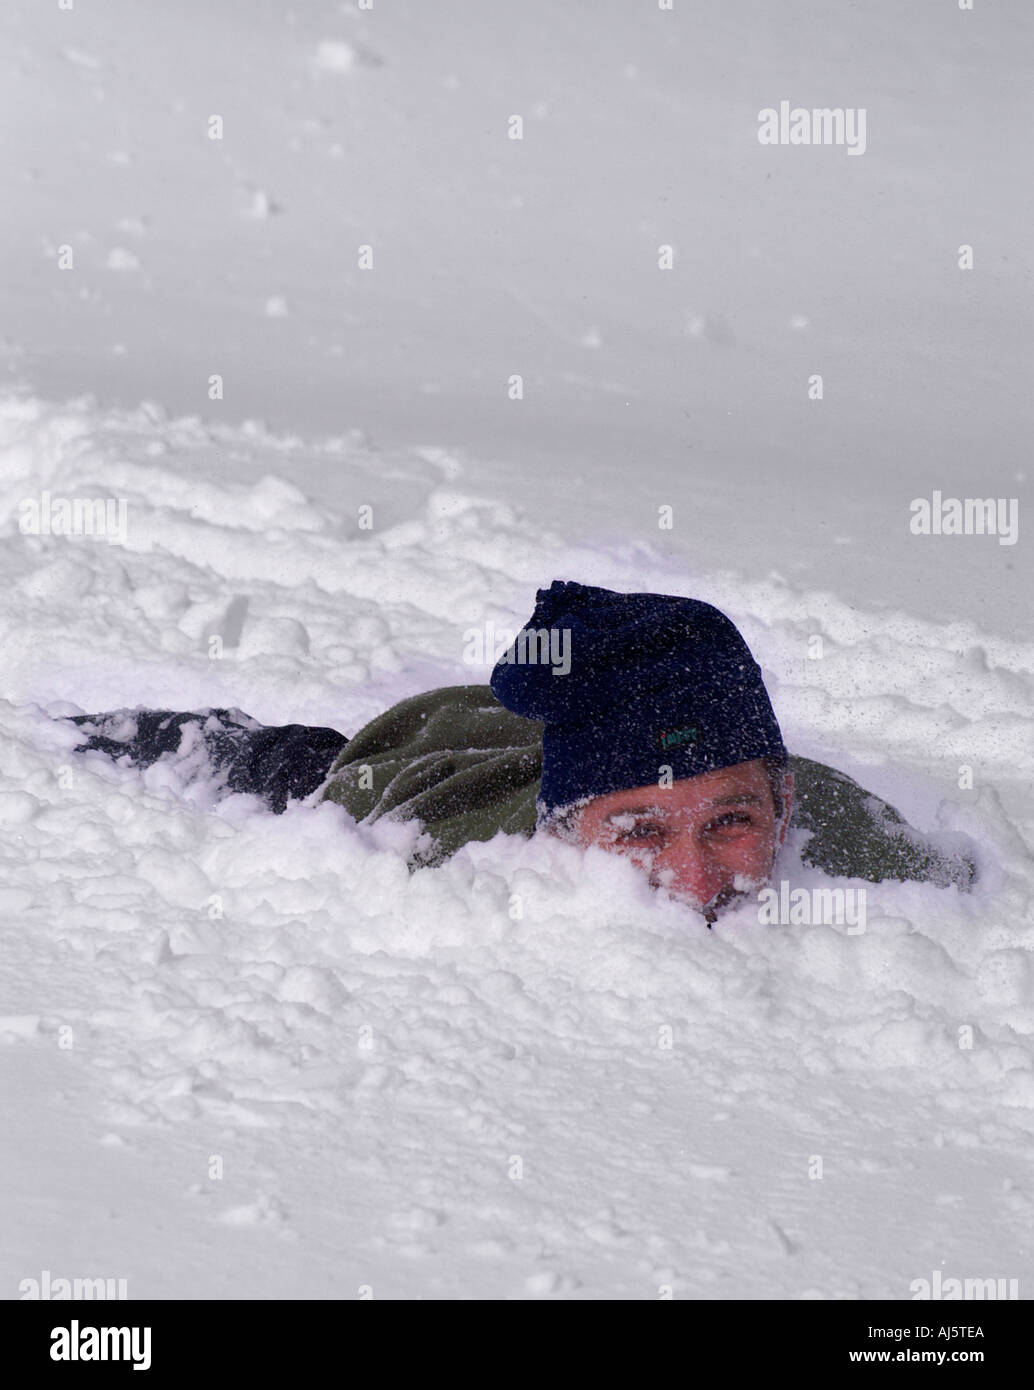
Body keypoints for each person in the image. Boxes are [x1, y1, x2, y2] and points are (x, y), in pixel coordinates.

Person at [67, 580, 976, 923]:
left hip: (582, 742)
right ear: (560, 831)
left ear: (781, 800)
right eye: (641, 831)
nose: (698, 883)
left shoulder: (868, 848)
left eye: (732, 821)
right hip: (441, 752)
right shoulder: (446, 846)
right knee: (305, 773)